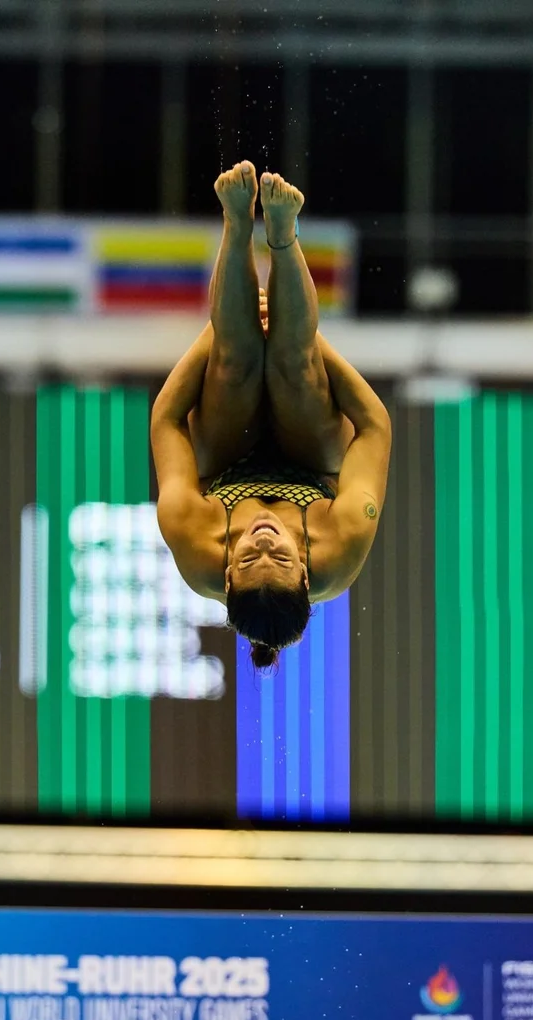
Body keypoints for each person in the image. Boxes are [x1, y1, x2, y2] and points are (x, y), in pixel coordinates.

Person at [151, 161, 391, 669]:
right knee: (293, 367)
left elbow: (168, 420)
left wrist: (214, 336)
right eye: (279, 556)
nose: (263, 540)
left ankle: (237, 225)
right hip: (311, 459)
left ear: (227, 575)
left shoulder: (192, 541)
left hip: (225, 459)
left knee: (235, 362)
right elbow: (373, 426)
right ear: (306, 573)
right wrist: (309, 343)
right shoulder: (344, 543)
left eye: (248, 557)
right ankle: (284, 237)